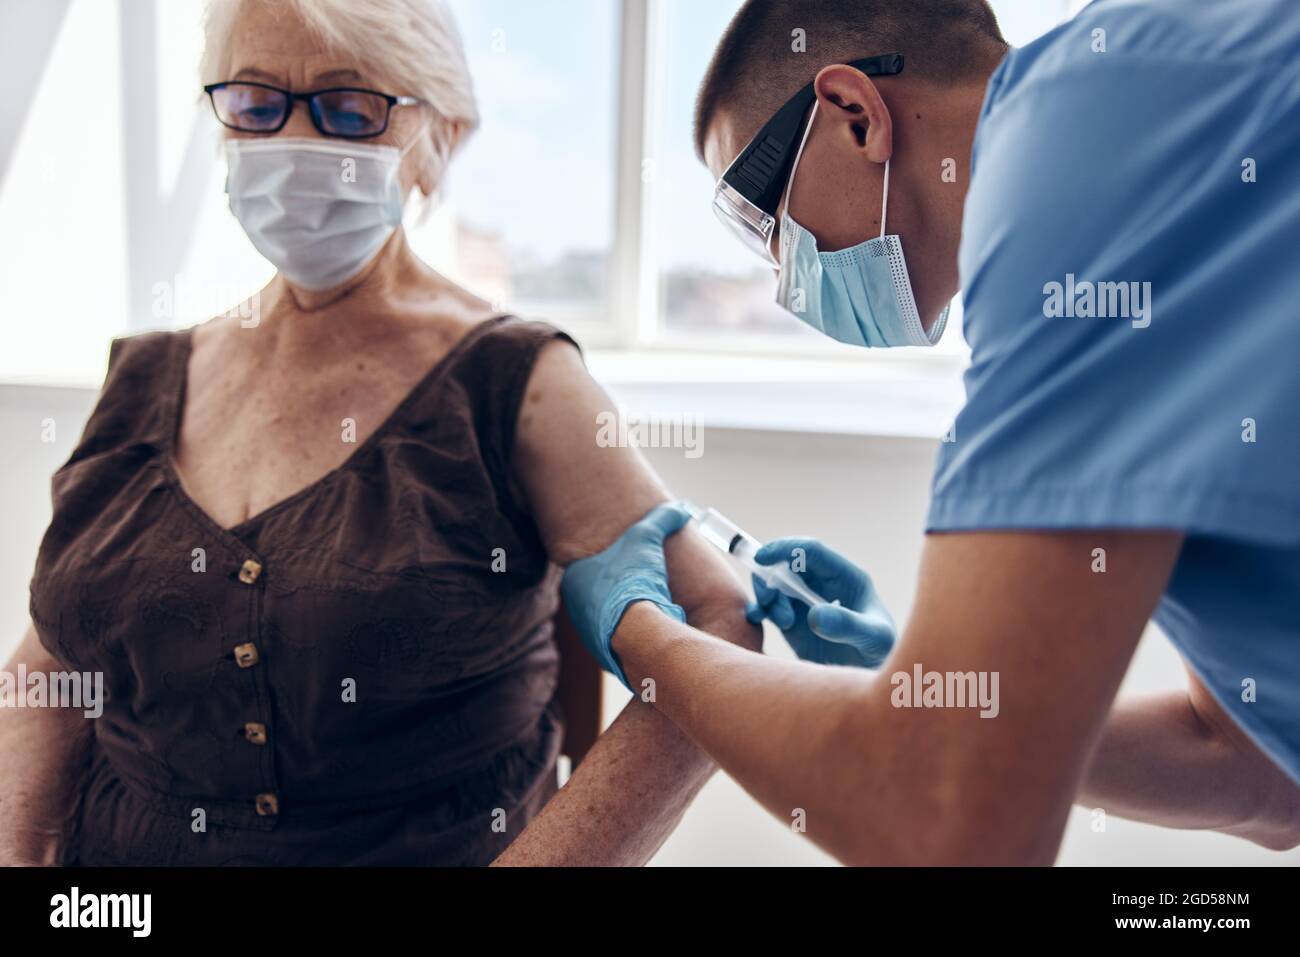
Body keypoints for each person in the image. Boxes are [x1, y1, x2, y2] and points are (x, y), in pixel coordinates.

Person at [0, 0, 758, 867]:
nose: (294, 140)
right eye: (255, 103)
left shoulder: (516, 385)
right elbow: (52, 663)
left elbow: (718, 620)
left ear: (442, 137)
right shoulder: (144, 377)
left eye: (349, 107)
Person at [561, 0, 1300, 864]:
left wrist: (646, 635)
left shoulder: (1076, 155)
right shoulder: (1139, 131)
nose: (779, 276)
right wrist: (901, 696)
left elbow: (944, 828)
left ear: (853, 112)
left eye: (762, 220)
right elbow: (1259, 776)